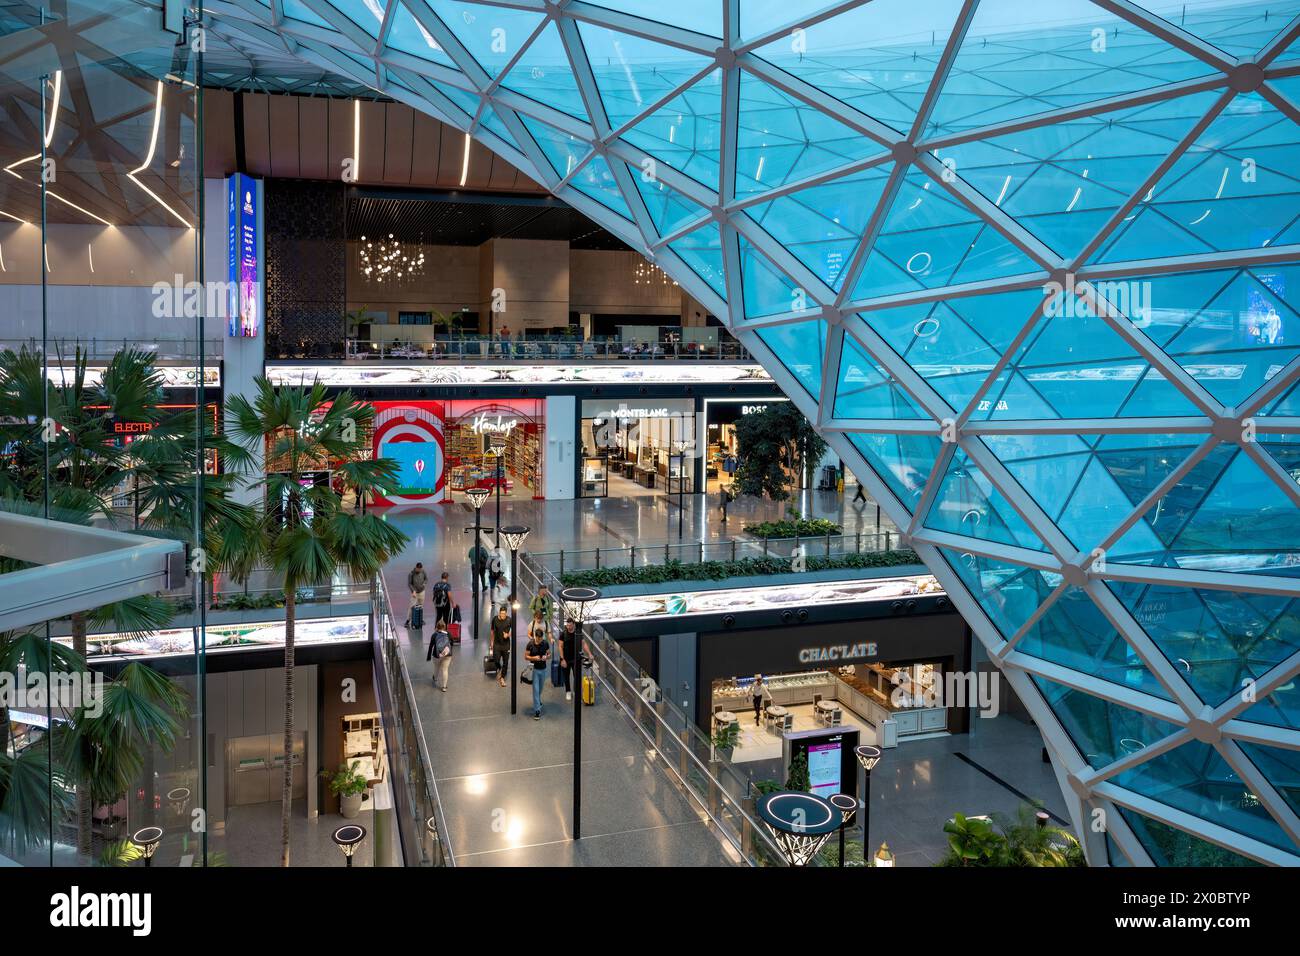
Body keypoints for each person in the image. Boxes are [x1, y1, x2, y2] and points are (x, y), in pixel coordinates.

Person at [556, 618, 591, 702]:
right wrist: (562, 659)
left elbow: (583, 644)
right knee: (566, 676)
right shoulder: (563, 634)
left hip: (575, 659)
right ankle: (568, 691)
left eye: (570, 625)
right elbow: (560, 646)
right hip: (566, 659)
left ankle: (576, 691)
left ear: (573, 625)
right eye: (567, 625)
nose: (568, 627)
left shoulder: (577, 633)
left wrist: (589, 653)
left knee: (576, 676)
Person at [524, 619, 551, 720]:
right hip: (534, 670)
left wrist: (546, 657)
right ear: (535, 636)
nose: (539, 641)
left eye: (540, 639)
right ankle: (537, 711)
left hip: (543, 669)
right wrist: (533, 658)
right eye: (537, 639)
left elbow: (549, 654)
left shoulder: (545, 644)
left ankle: (538, 701)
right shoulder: (530, 644)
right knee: (535, 690)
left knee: (540, 689)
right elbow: (526, 656)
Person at [490, 606, 512, 689]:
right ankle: (499, 668)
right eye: (502, 613)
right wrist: (491, 643)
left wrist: (508, 634)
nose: (503, 615)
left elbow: (512, 630)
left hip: (506, 645)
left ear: (506, 613)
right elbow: (492, 631)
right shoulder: (495, 619)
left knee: (506, 662)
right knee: (496, 660)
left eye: (504, 614)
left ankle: (502, 678)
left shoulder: (509, 620)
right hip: (497, 644)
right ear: (499, 613)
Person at [428, 619, 452, 692]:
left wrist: (429, 656)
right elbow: (452, 643)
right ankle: (444, 687)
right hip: (447, 654)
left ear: (436, 627)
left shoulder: (434, 635)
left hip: (437, 654)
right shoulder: (448, 633)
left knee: (436, 667)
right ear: (444, 626)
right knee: (445, 670)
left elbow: (431, 646)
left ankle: (435, 678)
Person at [404, 562, 427, 627]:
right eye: (418, 569)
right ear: (416, 567)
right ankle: (408, 620)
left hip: (422, 592)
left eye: (420, 569)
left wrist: (424, 584)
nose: (419, 570)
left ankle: (420, 619)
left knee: (421, 606)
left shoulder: (423, 572)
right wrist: (413, 591)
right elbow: (409, 584)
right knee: (412, 606)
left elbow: (426, 579)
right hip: (415, 593)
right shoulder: (411, 574)